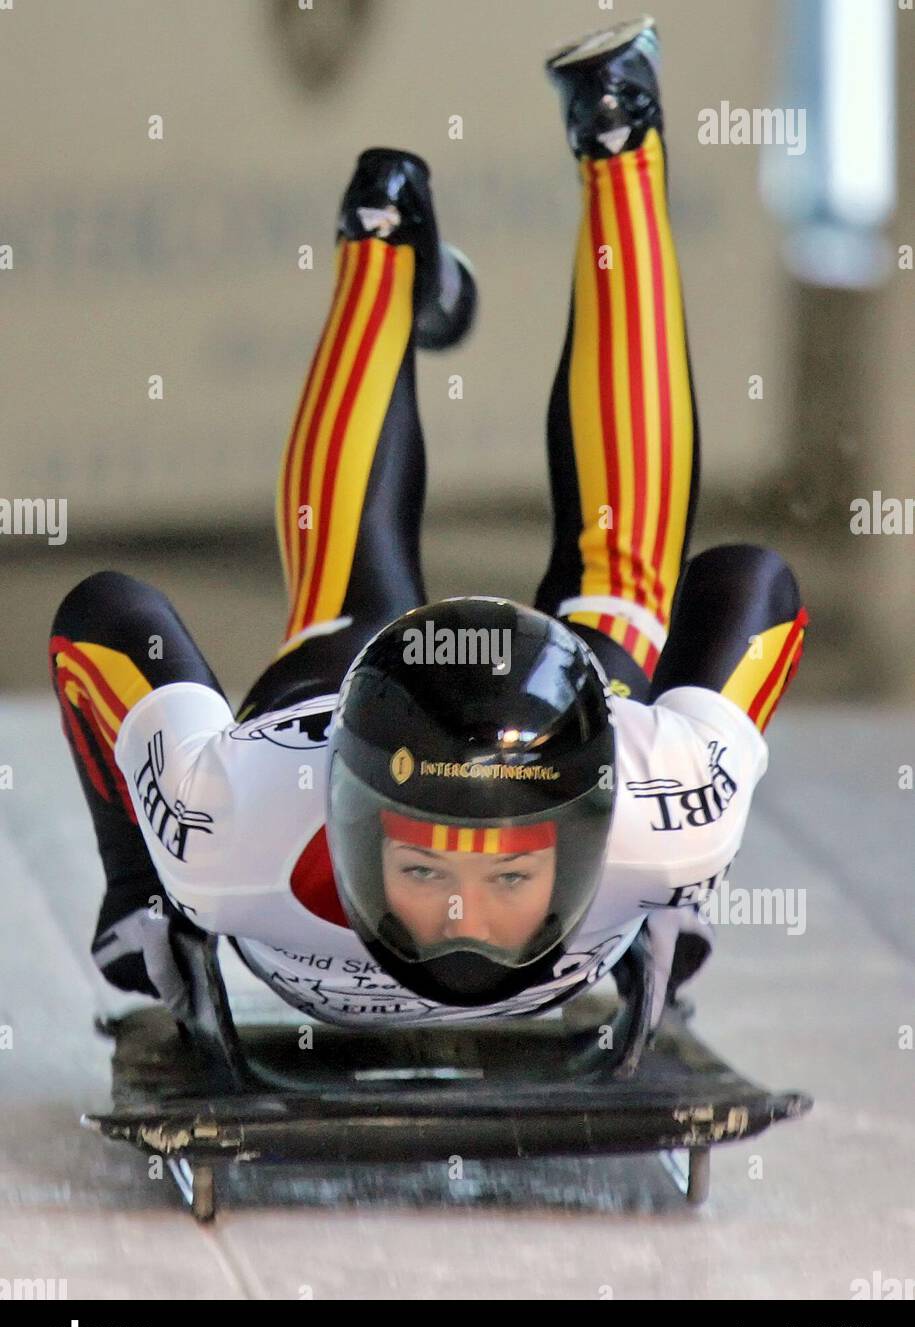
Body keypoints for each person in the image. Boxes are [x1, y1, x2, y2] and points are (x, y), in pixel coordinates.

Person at [50, 17, 806, 1031]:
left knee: (348, 597)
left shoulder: (230, 829)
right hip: (417, 714)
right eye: (420, 866)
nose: (461, 921)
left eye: (505, 874)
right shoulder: (672, 810)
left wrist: (141, 876)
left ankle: (383, 239)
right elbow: (755, 588)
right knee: (619, 584)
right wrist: (687, 873)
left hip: (333, 699)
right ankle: (606, 141)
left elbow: (103, 619)